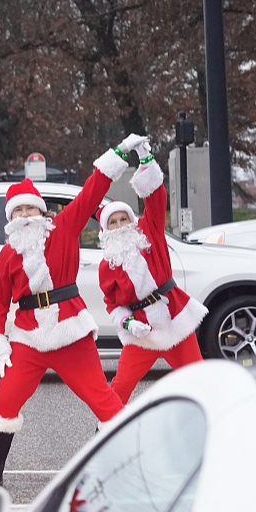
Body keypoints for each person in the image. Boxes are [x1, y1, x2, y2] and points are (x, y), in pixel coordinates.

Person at [0, 135, 145, 486]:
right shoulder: (7, 255)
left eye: (29, 209)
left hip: (69, 332)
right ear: (10, 219)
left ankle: (131, 465)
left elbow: (91, 192)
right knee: (5, 401)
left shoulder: (63, 229)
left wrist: (118, 154)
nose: (24, 216)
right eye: (17, 212)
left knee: (102, 398)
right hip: (27, 339)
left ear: (41, 212)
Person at [97, 142, 206, 404]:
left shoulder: (149, 234)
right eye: (113, 222)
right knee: (120, 386)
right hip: (141, 330)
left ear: (132, 221)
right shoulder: (107, 266)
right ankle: (106, 432)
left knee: (200, 377)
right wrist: (127, 323)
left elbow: (156, 199)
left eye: (124, 219)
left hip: (173, 319)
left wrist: (146, 158)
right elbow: (112, 305)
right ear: (106, 230)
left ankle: (214, 423)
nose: (120, 225)